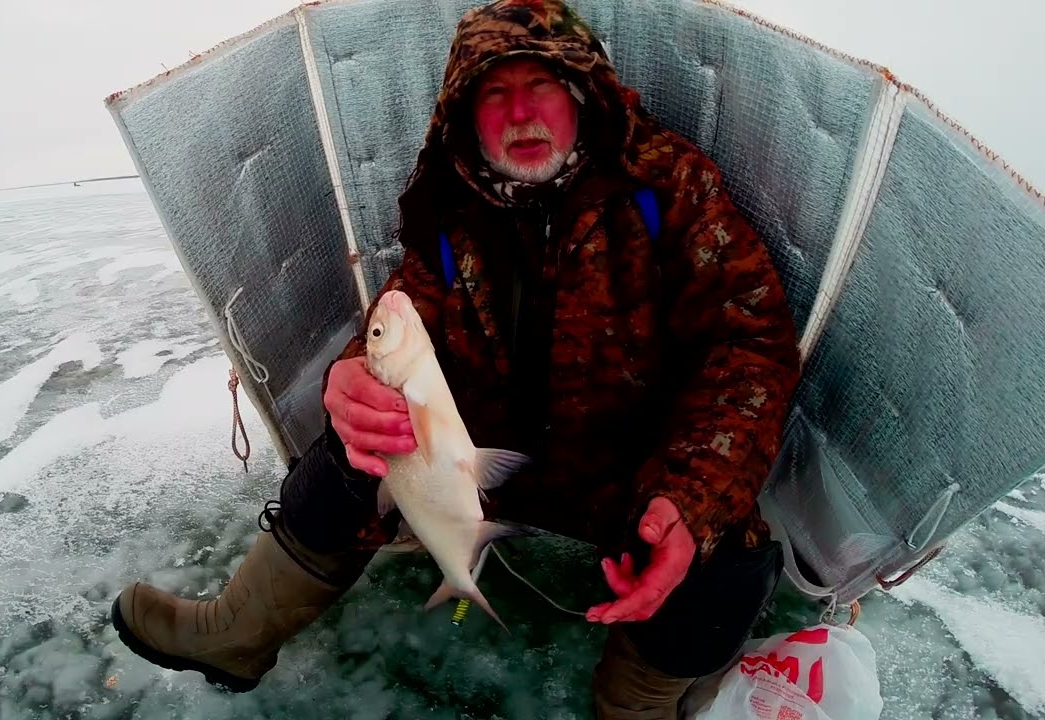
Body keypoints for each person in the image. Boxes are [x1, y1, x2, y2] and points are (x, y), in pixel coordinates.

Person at [110, 0, 801, 716]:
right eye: (493, 93)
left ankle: (638, 707)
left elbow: (748, 348)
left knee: (727, 548)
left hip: (624, 473)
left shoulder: (669, 187)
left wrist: (686, 498)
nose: (519, 113)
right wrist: (352, 372)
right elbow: (404, 309)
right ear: (465, 113)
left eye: (542, 84)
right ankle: (236, 634)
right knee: (356, 449)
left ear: (583, 92)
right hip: (473, 464)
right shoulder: (453, 204)